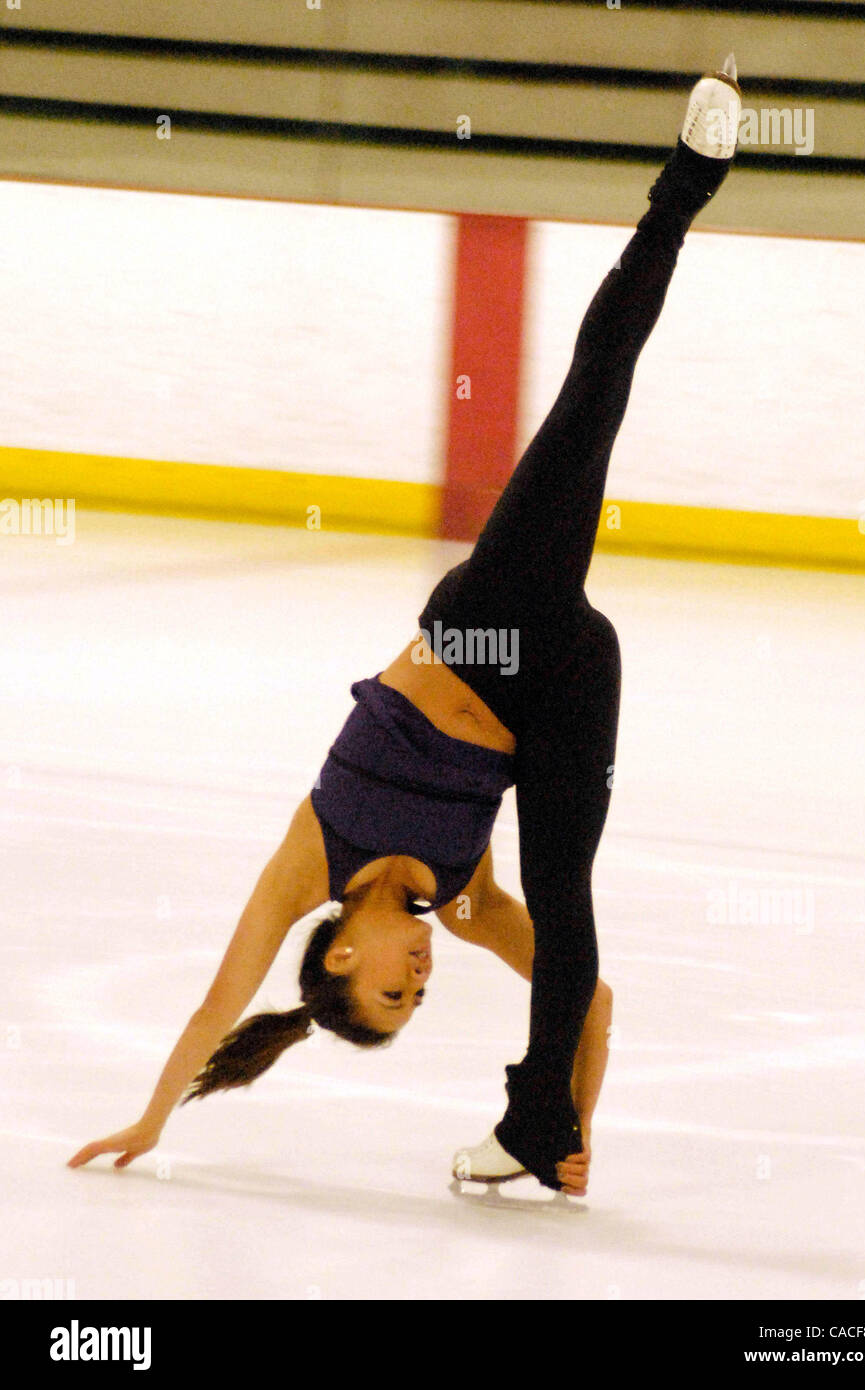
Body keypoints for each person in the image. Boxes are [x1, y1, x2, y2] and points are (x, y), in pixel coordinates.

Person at [68, 57, 742, 1198]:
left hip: (487, 626)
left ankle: (685, 180)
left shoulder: (307, 860)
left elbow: (218, 1002)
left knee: (591, 399)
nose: (420, 973)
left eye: (392, 986)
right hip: (569, 676)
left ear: (338, 953)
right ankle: (536, 1133)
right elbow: (587, 992)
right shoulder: (462, 896)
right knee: (567, 913)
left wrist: (152, 1116)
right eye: (419, 996)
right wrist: (577, 1117)